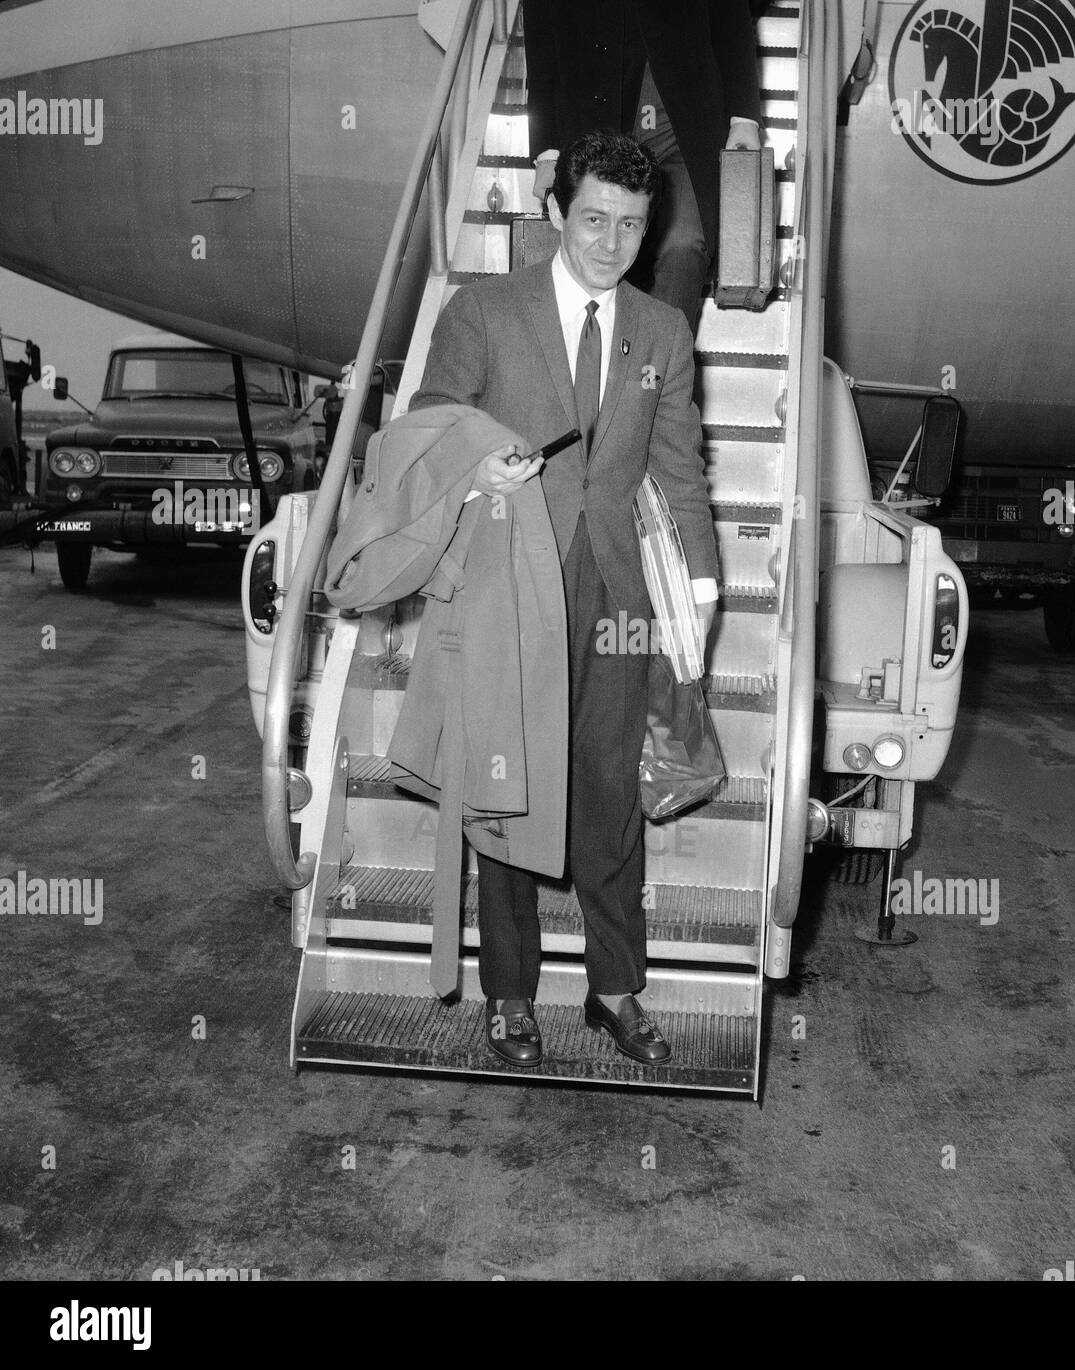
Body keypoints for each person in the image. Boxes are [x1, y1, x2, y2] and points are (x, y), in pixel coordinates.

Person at [409, 130, 719, 1067]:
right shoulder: (484, 311)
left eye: (631, 224)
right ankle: (509, 995)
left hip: (618, 587)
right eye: (593, 219)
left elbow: (680, 467)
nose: (610, 242)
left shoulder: (662, 331)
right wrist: (476, 470)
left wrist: (697, 586)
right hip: (511, 582)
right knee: (510, 787)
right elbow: (431, 421)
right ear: (554, 213)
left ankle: (615, 989)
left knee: (611, 791)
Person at [523, 0, 764, 332]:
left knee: (684, 247)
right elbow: (541, 41)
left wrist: (744, 118)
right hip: (599, 130)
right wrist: (547, 151)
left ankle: (659, 375)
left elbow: (732, 19)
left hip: (682, 126)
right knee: (600, 249)